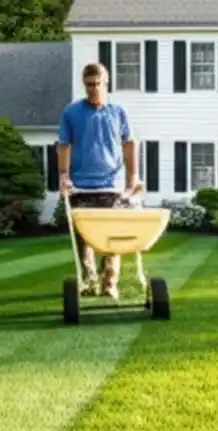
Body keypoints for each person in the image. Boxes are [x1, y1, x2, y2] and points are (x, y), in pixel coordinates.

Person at [56, 61, 140, 300]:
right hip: (81, 187)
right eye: (89, 84)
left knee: (112, 238)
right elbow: (63, 145)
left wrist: (132, 178)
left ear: (106, 83)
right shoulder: (71, 112)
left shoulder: (118, 112)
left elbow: (130, 143)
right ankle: (90, 280)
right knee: (85, 240)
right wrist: (64, 175)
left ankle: (109, 283)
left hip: (111, 186)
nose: (93, 89)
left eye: (97, 84)